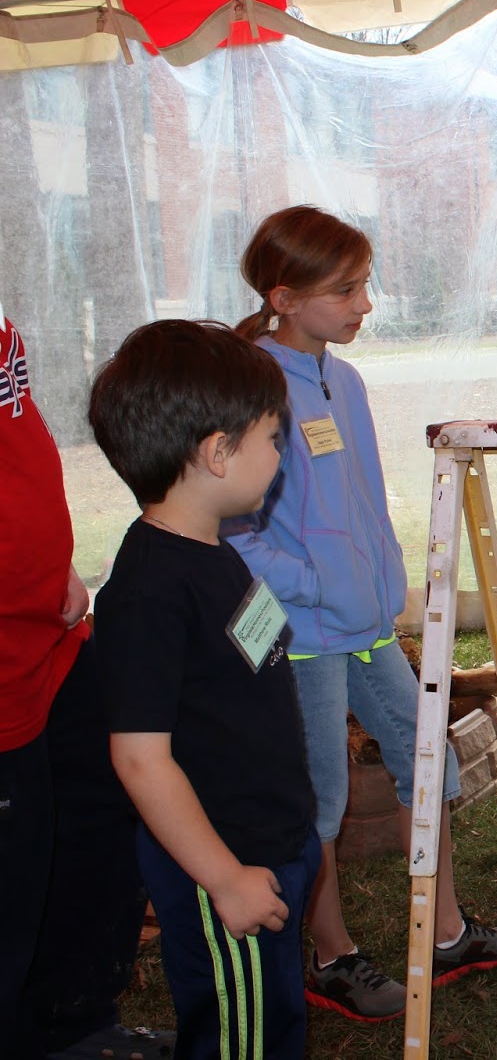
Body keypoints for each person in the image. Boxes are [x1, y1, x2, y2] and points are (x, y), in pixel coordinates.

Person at [222, 206, 497, 1023]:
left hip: (362, 629)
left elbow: (353, 501)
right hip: (303, 637)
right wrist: (318, 583)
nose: (365, 305)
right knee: (317, 800)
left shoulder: (344, 379)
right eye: (347, 290)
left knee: (429, 762)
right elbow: (233, 528)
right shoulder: (246, 383)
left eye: (365, 285)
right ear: (283, 296)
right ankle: (332, 956)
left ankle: (447, 931)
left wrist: (379, 578)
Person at [88, 319, 318, 1058]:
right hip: (226, 862)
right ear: (219, 453)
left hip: (266, 845)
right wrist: (224, 879)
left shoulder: (213, 550)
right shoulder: (150, 590)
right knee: (240, 1037)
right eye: (273, 438)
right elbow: (140, 759)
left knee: (271, 1018)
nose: (280, 456)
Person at [1, 314, 171, 1060]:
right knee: (14, 883)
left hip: (51, 633)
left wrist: (46, 566)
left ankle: (74, 1025)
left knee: (93, 836)